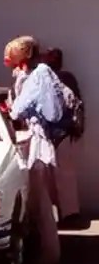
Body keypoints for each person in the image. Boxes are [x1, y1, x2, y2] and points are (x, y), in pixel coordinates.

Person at [5, 36, 65, 264]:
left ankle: (49, 256)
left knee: (40, 201)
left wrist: (12, 103)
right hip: (38, 140)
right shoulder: (39, 74)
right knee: (38, 201)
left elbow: (18, 110)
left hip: (37, 143)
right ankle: (45, 252)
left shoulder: (37, 75)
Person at [43, 47, 84, 228]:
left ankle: (67, 214)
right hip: (58, 132)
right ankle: (66, 213)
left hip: (58, 132)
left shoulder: (56, 79)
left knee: (59, 176)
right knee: (61, 176)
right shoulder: (65, 79)